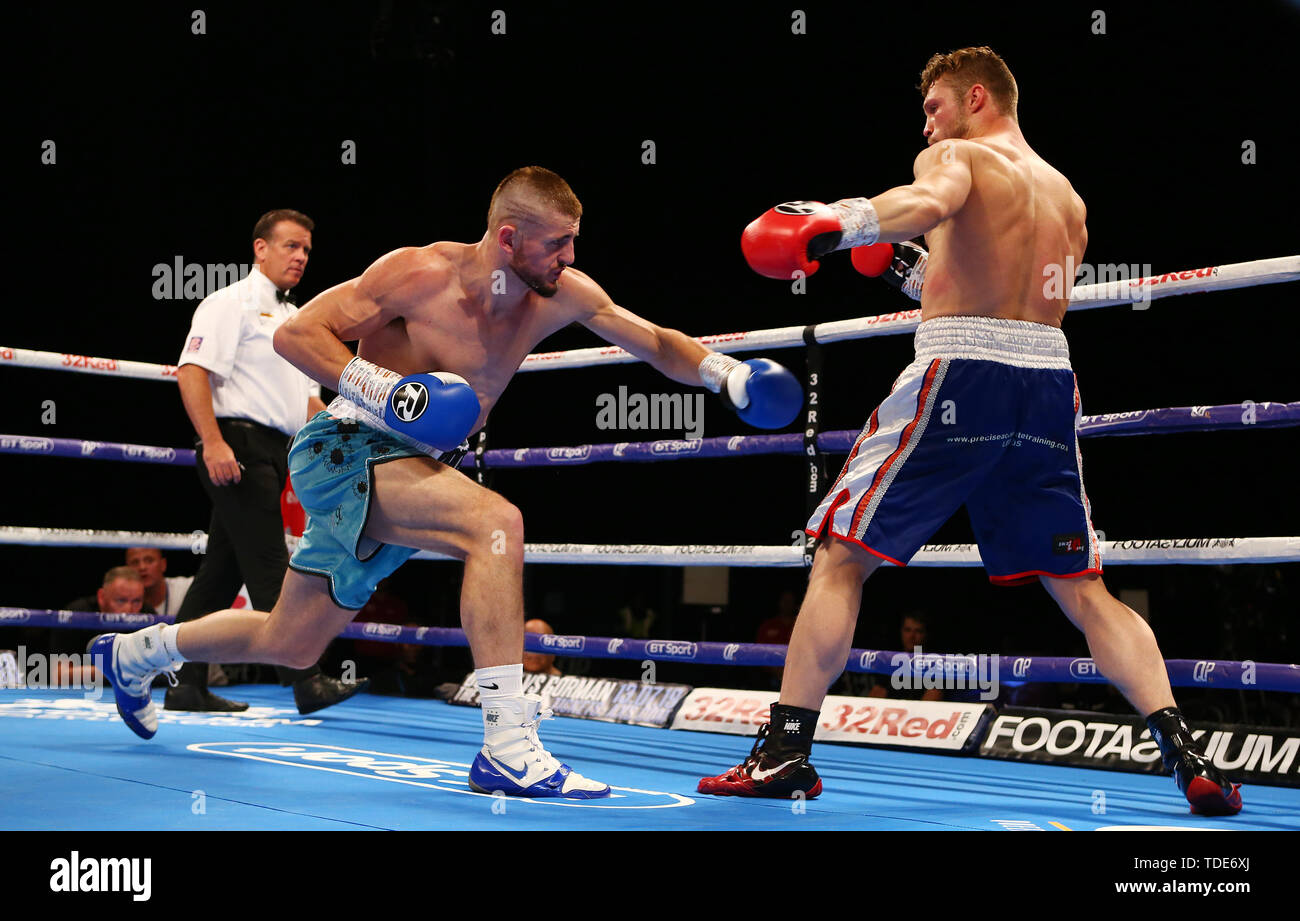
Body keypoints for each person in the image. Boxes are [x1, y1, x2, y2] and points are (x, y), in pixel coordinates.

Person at [90, 166, 804, 799]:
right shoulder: (417, 273)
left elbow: (649, 338)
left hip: (417, 469)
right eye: (557, 243)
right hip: (347, 443)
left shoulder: (558, 293)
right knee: (496, 523)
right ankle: (507, 747)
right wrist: (385, 389)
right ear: (507, 237)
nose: (570, 257)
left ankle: (140, 652)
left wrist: (724, 373)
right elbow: (298, 334)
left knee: (293, 640)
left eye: (573, 241)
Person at [698, 47, 1242, 816]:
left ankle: (785, 751)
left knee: (841, 552)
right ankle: (1191, 756)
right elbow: (993, 280)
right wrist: (895, 269)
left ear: (975, 97)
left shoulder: (954, 156)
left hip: (962, 372)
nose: (926, 126)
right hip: (1048, 384)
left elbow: (930, 205)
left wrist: (836, 221)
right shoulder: (1068, 198)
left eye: (933, 107)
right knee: (1084, 588)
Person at [167, 209, 367, 715]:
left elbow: (308, 406)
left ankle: (183, 684)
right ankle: (306, 680)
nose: (300, 257)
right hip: (237, 445)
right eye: (291, 246)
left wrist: (361, 436)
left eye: (306, 250)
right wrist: (212, 442)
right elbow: (191, 372)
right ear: (261, 248)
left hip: (278, 453)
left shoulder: (294, 320)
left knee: (219, 574)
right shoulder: (228, 302)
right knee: (272, 568)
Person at [56, 566, 148, 686]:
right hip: (83, 694)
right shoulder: (77, 615)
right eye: (121, 601)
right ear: (102, 597)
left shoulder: (147, 615)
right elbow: (59, 675)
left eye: (136, 601)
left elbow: (165, 668)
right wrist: (122, 669)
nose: (129, 609)